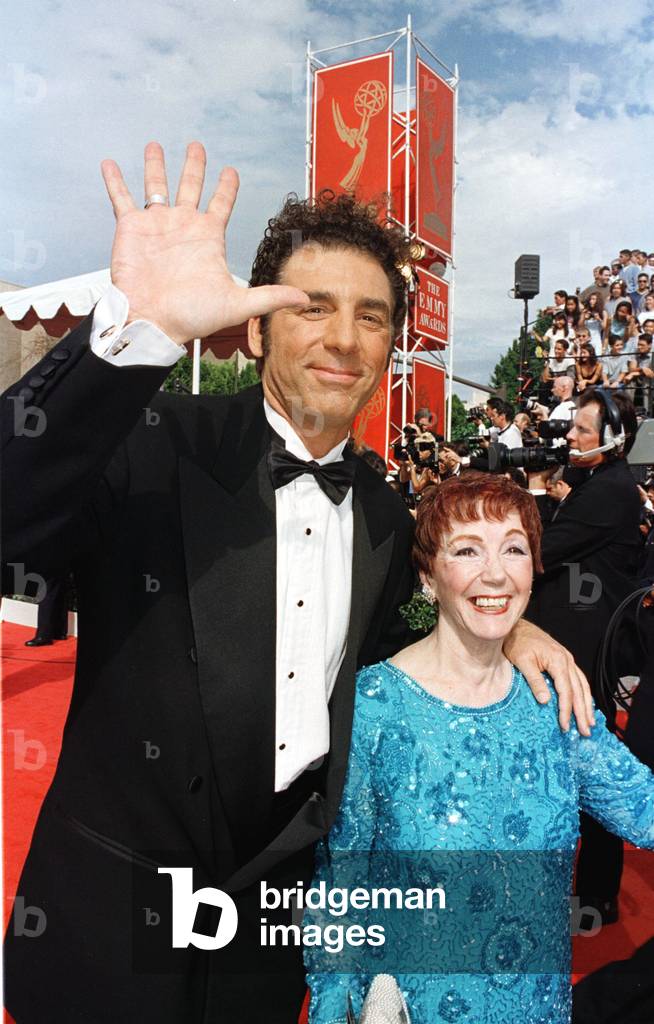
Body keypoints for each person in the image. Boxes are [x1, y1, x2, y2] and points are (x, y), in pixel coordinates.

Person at [2, 142, 592, 1024]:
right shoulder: (153, 438)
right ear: (259, 324)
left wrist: (505, 630)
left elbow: (383, 651)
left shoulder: (390, 516)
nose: (342, 339)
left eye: (371, 316)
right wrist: (140, 333)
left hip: (268, 939)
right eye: (312, 307)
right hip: (109, 917)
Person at [305, 473, 654, 1024]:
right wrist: (336, 1009)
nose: (495, 572)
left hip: (539, 1009)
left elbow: (644, 808)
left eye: (513, 548)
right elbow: (340, 881)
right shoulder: (373, 703)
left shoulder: (552, 702)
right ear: (428, 575)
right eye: (467, 549)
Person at [527, 390, 644, 926]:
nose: (569, 436)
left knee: (589, 771)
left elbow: (541, 552)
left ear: (615, 438)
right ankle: (591, 891)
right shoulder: (598, 483)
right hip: (571, 647)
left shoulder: (610, 491)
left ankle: (596, 896)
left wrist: (534, 494)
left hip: (585, 654)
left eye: (581, 429)